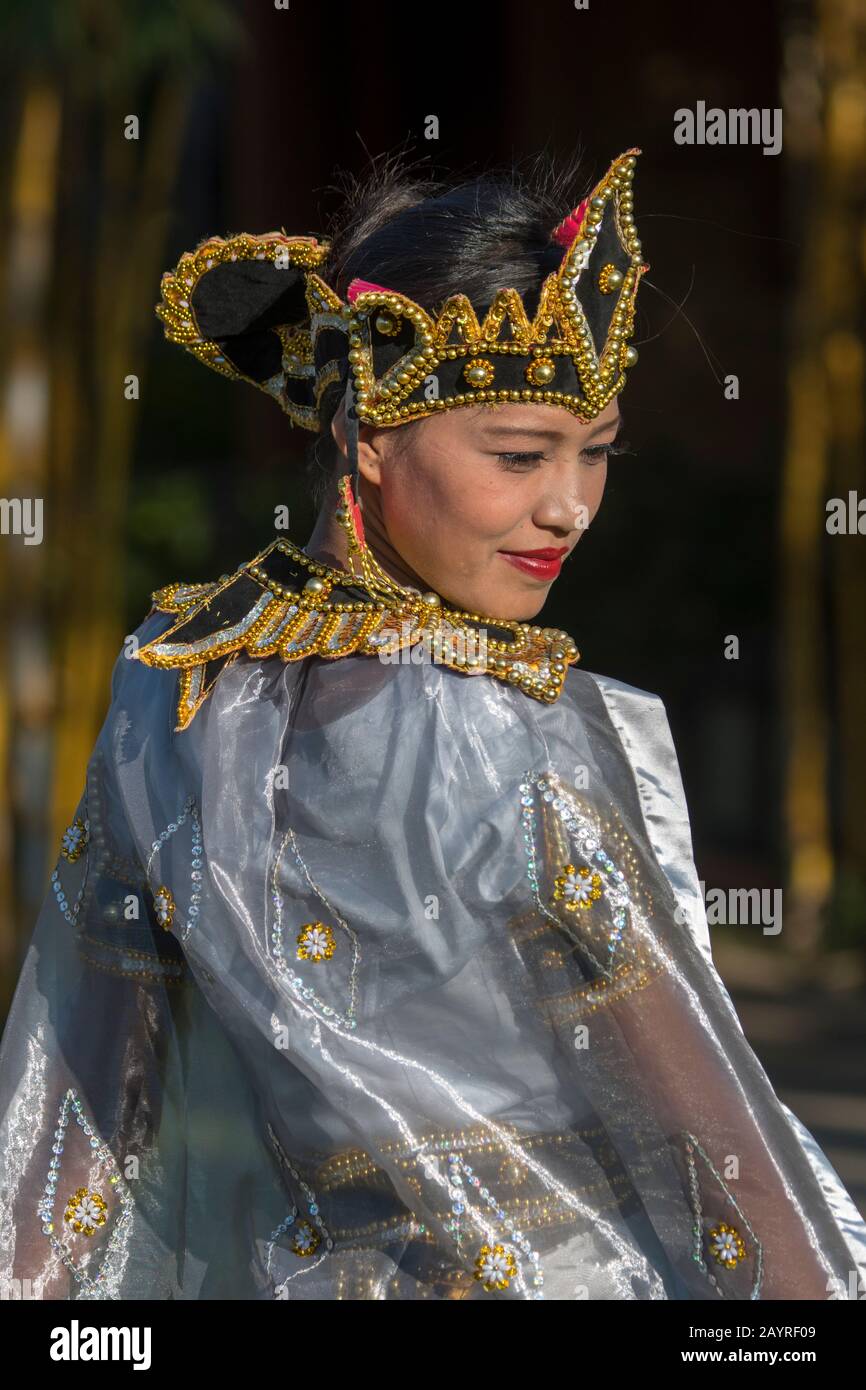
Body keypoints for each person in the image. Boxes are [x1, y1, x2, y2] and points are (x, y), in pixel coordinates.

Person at [0, 145, 864, 1302]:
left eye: (596, 453)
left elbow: (62, 1153)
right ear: (366, 431)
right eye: (518, 455)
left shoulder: (169, 695)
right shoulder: (507, 735)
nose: (567, 507)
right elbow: (733, 1174)